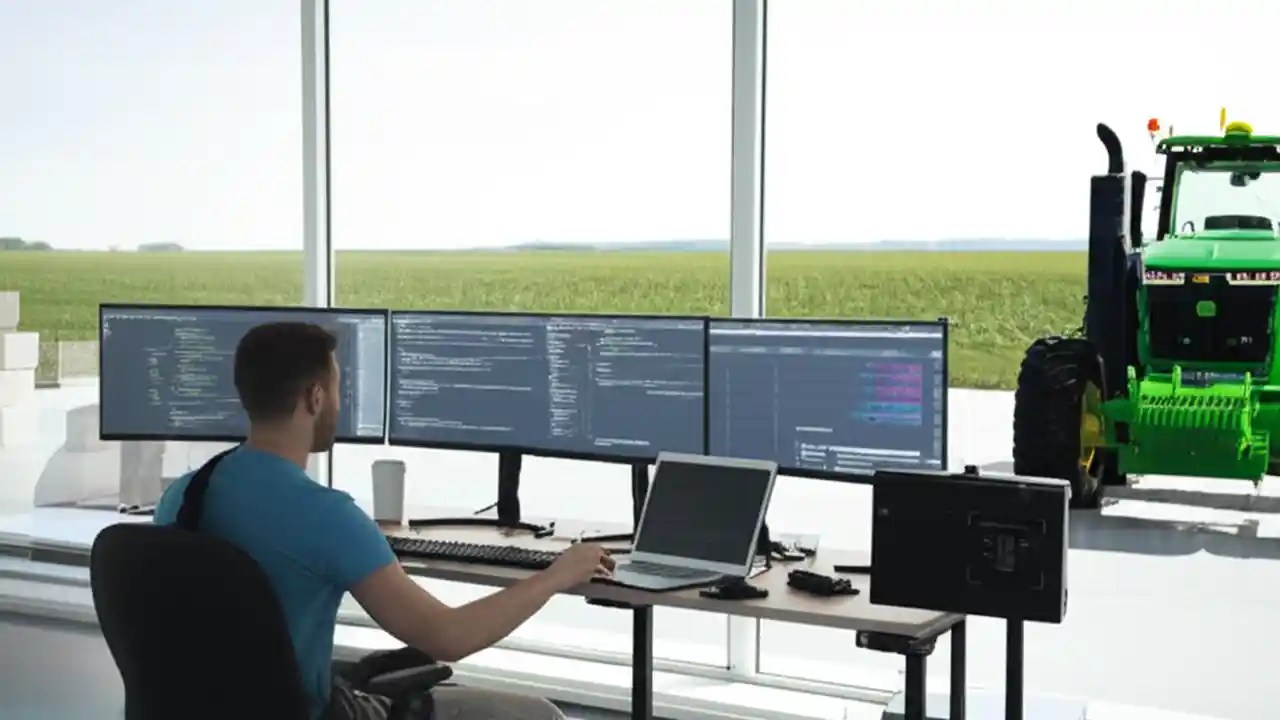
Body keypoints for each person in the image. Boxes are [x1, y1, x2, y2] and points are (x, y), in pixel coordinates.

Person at [153, 322, 614, 719]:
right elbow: (448, 637)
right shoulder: (325, 515)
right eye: (337, 387)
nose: (340, 400)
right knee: (538, 714)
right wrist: (557, 575)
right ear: (314, 397)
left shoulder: (182, 495)